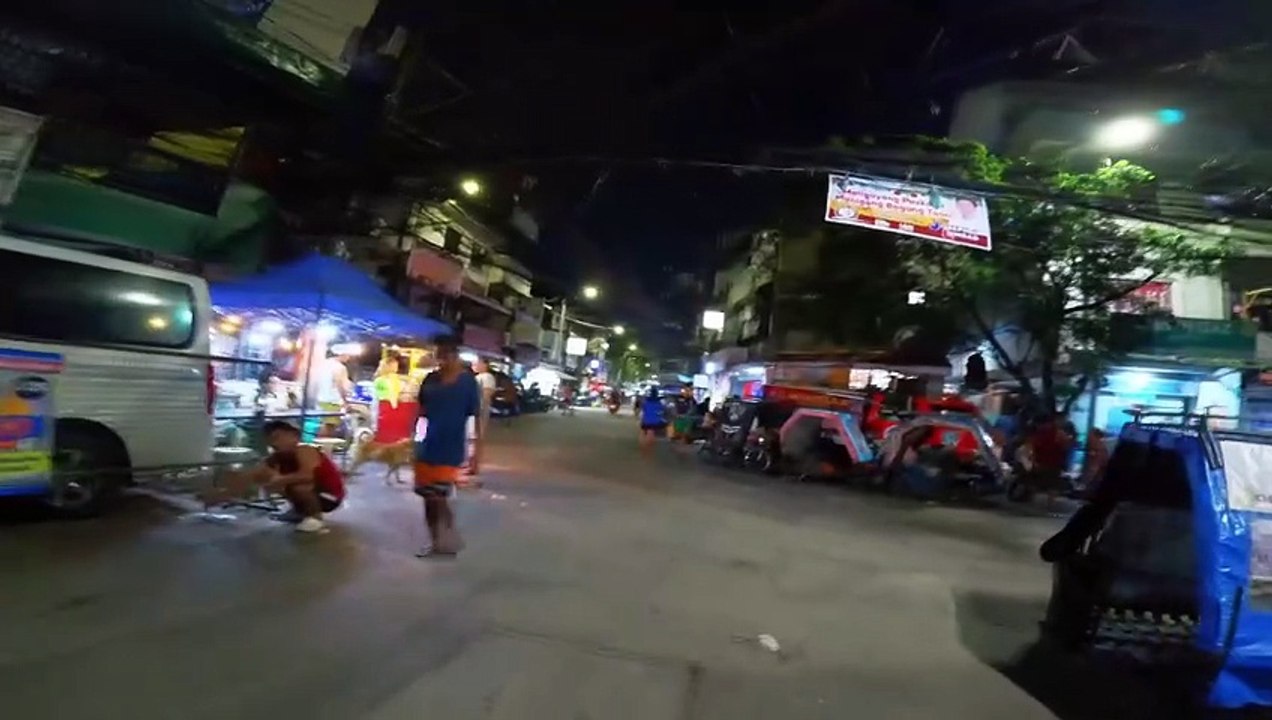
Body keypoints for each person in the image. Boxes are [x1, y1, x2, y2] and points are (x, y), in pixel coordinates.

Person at [200, 420, 345, 533]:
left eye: (278, 437)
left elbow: (306, 476)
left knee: (297, 484)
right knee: (263, 475)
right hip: (314, 492)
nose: (274, 443)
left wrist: (279, 480)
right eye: (270, 439)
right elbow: (252, 476)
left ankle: (315, 518)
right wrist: (223, 494)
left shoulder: (305, 450)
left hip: (329, 496)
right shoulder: (276, 457)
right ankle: (300, 511)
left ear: (294, 436)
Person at [414, 336, 480, 558]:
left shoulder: (468, 382)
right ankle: (436, 542)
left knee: (438, 496)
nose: (442, 360)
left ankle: (450, 536)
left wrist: (476, 452)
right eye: (439, 355)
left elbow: (476, 417)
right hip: (426, 446)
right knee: (427, 498)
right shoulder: (430, 379)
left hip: (450, 447)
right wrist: (412, 441)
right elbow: (420, 411)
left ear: (455, 355)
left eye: (446, 355)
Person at [470, 359, 497, 475]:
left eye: (476, 363)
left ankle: (474, 466)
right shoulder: (479, 377)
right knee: (474, 438)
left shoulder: (486, 377)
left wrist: (478, 409)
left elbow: (486, 395)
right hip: (476, 412)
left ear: (484, 365)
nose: (473, 366)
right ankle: (472, 465)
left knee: (476, 438)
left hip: (479, 412)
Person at [638, 386, 667, 454]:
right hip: (656, 421)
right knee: (651, 433)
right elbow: (662, 411)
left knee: (642, 432)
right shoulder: (659, 403)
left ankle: (643, 447)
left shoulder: (646, 402)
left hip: (646, 420)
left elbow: (643, 410)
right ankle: (648, 448)